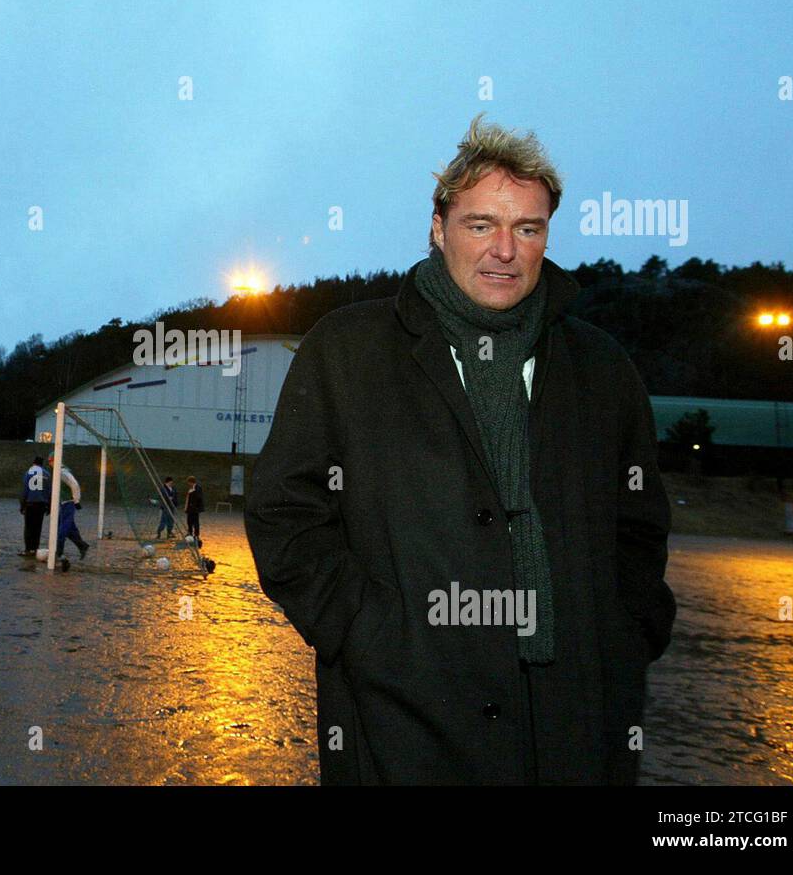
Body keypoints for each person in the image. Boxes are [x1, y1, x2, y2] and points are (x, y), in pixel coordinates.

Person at [245, 114, 675, 785]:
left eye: (527, 228)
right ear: (439, 228)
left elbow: (641, 529)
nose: (505, 248)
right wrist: (369, 635)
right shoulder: (347, 351)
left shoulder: (604, 368)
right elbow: (282, 514)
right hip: (403, 726)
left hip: (572, 730)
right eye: (481, 224)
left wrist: (623, 639)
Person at [48, 452, 89, 560]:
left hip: (68, 503)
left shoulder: (62, 472)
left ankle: (59, 552)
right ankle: (82, 546)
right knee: (70, 529)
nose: (50, 464)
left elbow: (74, 484)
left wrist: (76, 501)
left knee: (62, 529)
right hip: (64, 503)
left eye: (51, 461)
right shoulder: (59, 472)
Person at [19, 455, 49, 558]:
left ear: (34, 463)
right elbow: (49, 491)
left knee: (28, 527)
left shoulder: (29, 472)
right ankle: (35, 549)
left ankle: (28, 549)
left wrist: (22, 505)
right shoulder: (47, 474)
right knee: (37, 528)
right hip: (41, 505)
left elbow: (25, 490)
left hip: (30, 504)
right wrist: (48, 506)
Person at [184, 476, 204, 542]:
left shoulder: (198, 488)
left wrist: (193, 505)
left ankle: (196, 534)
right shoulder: (191, 488)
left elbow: (198, 498)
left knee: (195, 522)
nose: (188, 484)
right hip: (190, 509)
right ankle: (190, 532)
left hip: (195, 509)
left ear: (191, 482)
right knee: (189, 521)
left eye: (189, 483)